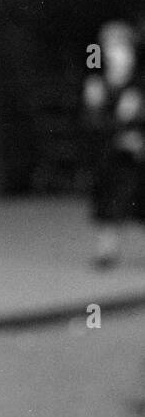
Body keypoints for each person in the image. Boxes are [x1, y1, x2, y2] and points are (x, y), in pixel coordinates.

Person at [83, 20, 145, 269]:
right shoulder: (97, 84)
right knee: (108, 191)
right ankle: (107, 249)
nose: (117, 54)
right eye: (111, 47)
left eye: (122, 47)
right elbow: (93, 123)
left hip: (137, 155)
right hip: (109, 152)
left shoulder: (139, 85)